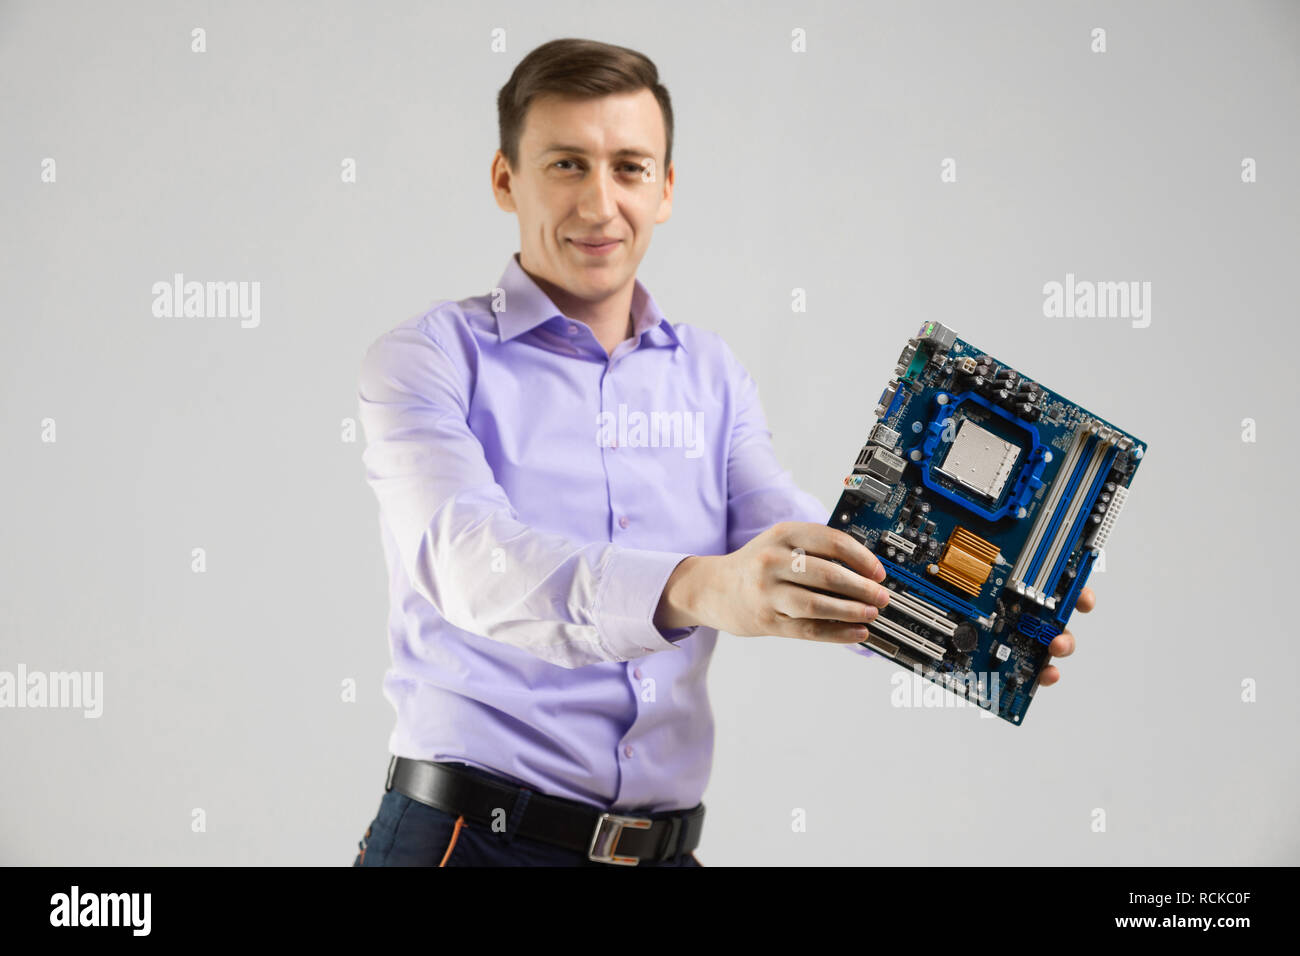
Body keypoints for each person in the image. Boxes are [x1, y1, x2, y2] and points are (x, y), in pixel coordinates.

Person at [351, 37, 1093, 868]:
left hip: (663, 852)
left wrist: (983, 595)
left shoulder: (710, 375)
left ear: (665, 189)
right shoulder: (427, 359)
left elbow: (792, 538)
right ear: (504, 179)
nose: (601, 206)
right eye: (567, 165)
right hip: (470, 846)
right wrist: (700, 586)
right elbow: (470, 560)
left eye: (630, 168)